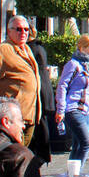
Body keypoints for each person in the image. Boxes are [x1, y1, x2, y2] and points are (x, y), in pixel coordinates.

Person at [0, 15, 42, 151]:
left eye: (26, 30)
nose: (23, 33)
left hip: (29, 115)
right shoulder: (3, 50)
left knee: (22, 155)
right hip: (11, 117)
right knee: (12, 154)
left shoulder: (27, 49)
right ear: (9, 31)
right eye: (19, 29)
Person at [54, 35, 89, 177]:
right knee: (87, 143)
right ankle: (76, 174)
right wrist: (60, 109)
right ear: (82, 48)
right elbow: (62, 85)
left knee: (78, 143)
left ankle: (70, 175)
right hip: (73, 108)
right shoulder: (73, 65)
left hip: (85, 109)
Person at [28, 29, 57, 160]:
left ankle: (41, 154)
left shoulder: (32, 49)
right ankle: (42, 154)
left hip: (39, 89)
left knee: (39, 124)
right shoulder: (39, 47)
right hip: (44, 88)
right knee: (42, 123)